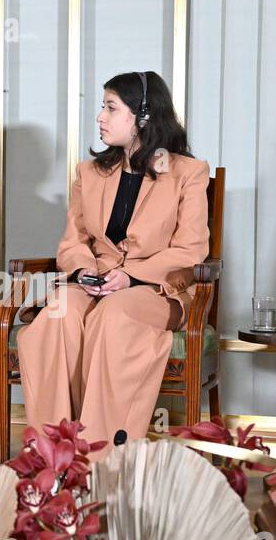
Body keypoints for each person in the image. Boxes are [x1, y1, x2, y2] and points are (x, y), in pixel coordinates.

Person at [17, 71, 210, 451]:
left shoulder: (188, 173)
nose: (100, 118)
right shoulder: (89, 173)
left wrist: (129, 276)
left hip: (155, 289)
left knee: (112, 315)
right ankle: (53, 450)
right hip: (93, 282)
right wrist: (84, 269)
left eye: (110, 108)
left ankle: (101, 453)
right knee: (58, 311)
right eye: (102, 108)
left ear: (142, 116)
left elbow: (191, 250)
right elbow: (72, 242)